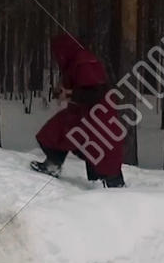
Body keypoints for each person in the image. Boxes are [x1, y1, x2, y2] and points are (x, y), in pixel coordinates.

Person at [31, 33, 126, 187]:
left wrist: (70, 94)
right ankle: (53, 164)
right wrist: (65, 93)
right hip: (82, 114)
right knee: (57, 131)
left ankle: (114, 187)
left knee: (103, 148)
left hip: (98, 116)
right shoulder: (75, 61)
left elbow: (96, 92)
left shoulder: (84, 61)